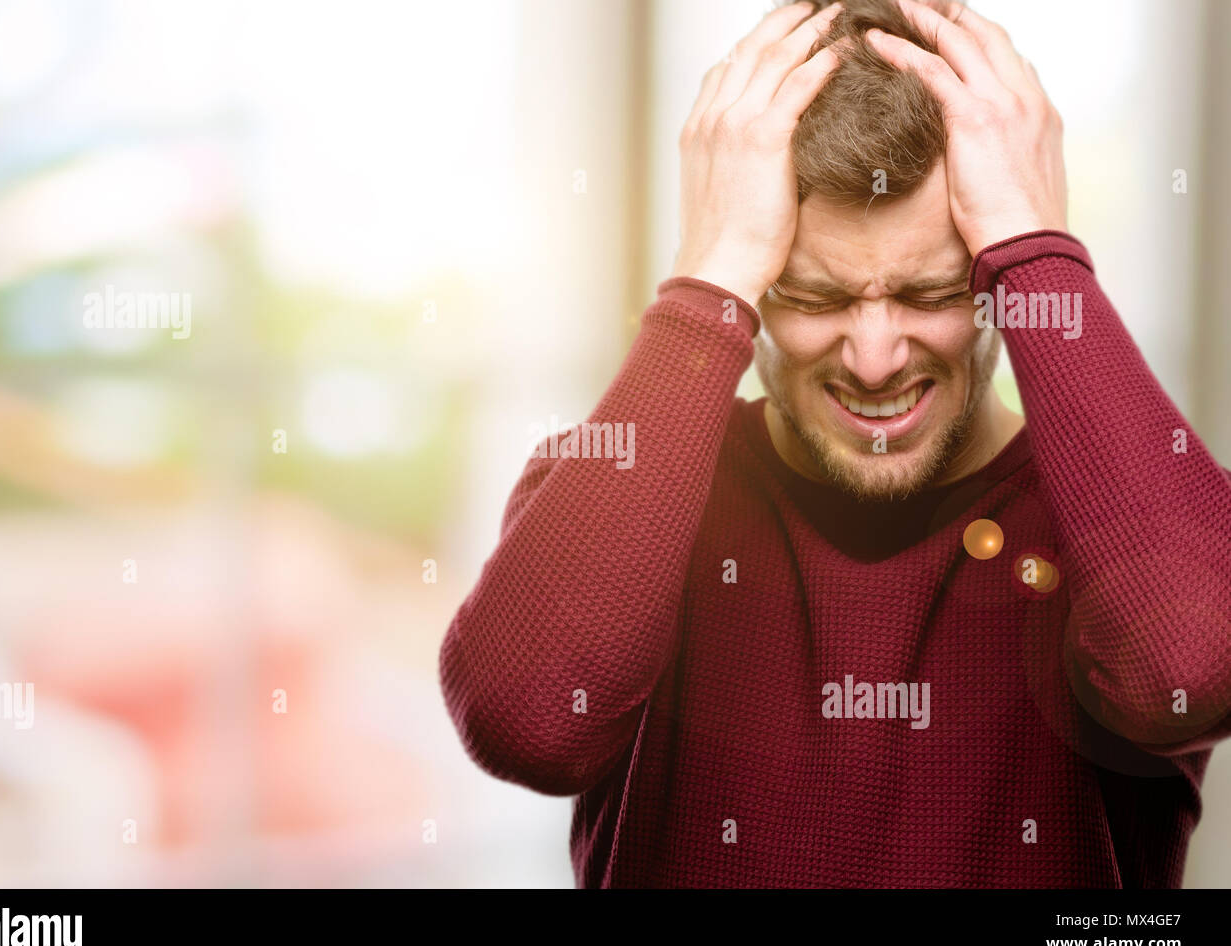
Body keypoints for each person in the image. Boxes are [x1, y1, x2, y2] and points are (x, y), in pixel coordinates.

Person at [439, 0, 1231, 887]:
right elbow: (528, 724)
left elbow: (1197, 672)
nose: (876, 357)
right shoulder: (610, 493)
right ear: (755, 280)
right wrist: (709, 276)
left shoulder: (1130, 526)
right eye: (814, 299)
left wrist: (1038, 247)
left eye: (932, 293)